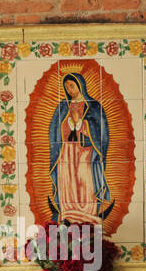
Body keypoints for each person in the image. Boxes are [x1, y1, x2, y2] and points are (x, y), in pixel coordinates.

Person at [47, 71, 111, 224]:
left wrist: (81, 124)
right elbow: (54, 130)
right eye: (67, 87)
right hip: (66, 151)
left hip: (86, 152)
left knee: (84, 180)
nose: (69, 90)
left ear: (80, 85)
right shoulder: (63, 106)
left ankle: (87, 214)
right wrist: (69, 123)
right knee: (67, 180)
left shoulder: (94, 106)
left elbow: (101, 132)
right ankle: (68, 213)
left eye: (72, 86)